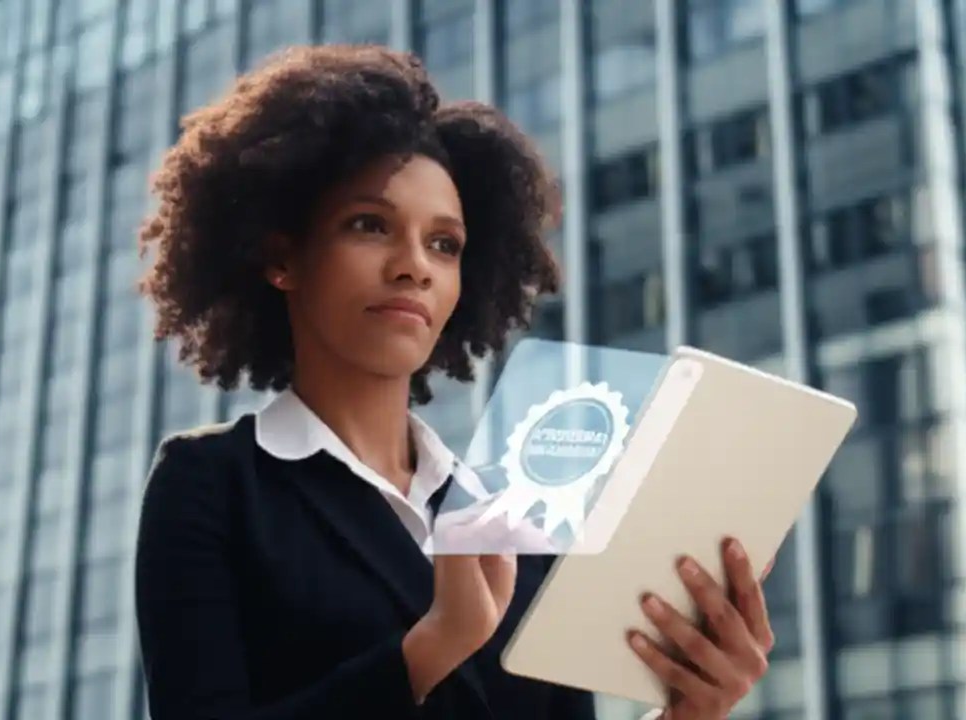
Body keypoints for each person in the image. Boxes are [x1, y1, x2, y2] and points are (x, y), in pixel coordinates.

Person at [133, 44, 775, 719]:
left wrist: (683, 715)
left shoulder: (511, 520)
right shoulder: (211, 484)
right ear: (281, 258)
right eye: (370, 225)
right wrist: (431, 648)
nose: (416, 266)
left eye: (445, 244)